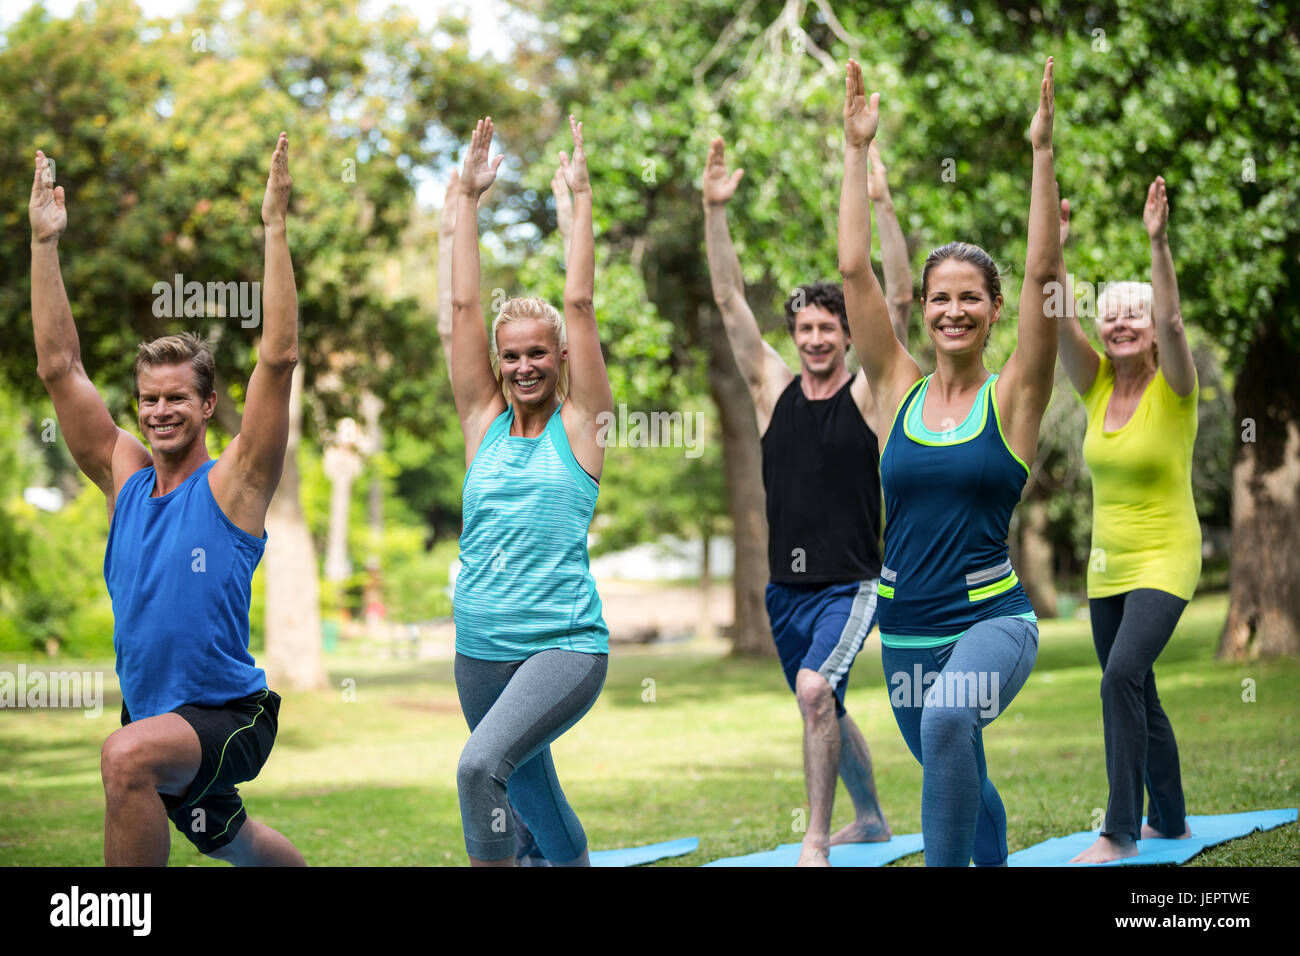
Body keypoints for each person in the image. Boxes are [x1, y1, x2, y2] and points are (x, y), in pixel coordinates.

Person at [29, 135, 306, 866]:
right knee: (233, 841)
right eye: (148, 399)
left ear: (208, 404)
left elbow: (278, 358)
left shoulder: (236, 483)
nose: (158, 412)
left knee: (125, 760)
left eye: (176, 398)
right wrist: (44, 244)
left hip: (228, 717)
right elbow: (59, 366)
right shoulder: (124, 478)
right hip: (156, 713)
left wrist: (274, 227)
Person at [838, 58, 1060, 866]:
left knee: (944, 723)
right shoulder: (895, 383)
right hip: (904, 626)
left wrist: (1041, 151)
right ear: (923, 309)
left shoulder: (1015, 399)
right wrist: (856, 151)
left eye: (971, 297)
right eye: (940, 297)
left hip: (991, 619)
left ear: (994, 310)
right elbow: (853, 271)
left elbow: (1044, 274)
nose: (954, 309)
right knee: (953, 758)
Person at [703, 133, 910, 866]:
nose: (816, 338)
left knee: (816, 693)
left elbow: (901, 302)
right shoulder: (773, 391)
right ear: (792, 336)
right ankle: (875, 818)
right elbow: (728, 298)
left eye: (829, 328)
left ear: (849, 336)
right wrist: (714, 211)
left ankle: (816, 840)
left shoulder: (867, 393)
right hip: (783, 591)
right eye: (806, 328)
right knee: (829, 702)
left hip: (852, 583)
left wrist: (882, 207)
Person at [450, 115, 612, 867]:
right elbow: (459, 311)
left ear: (560, 356)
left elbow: (579, 304)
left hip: (563, 646)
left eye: (537, 354)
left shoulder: (581, 424)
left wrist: (579, 202)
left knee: (479, 768)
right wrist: (467, 203)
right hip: (478, 648)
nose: (523, 367)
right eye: (510, 355)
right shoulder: (481, 421)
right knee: (534, 804)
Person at [1055, 178, 1199, 863]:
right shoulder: (1096, 384)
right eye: (1109, 316)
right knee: (1136, 683)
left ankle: (1119, 830)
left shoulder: (1176, 388)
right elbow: (1059, 323)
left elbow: (1173, 323)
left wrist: (1157, 244)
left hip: (1167, 555)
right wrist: (1054, 254)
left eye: (1130, 317)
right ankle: (1169, 818)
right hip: (1107, 563)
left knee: (1119, 678)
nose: (1118, 326)